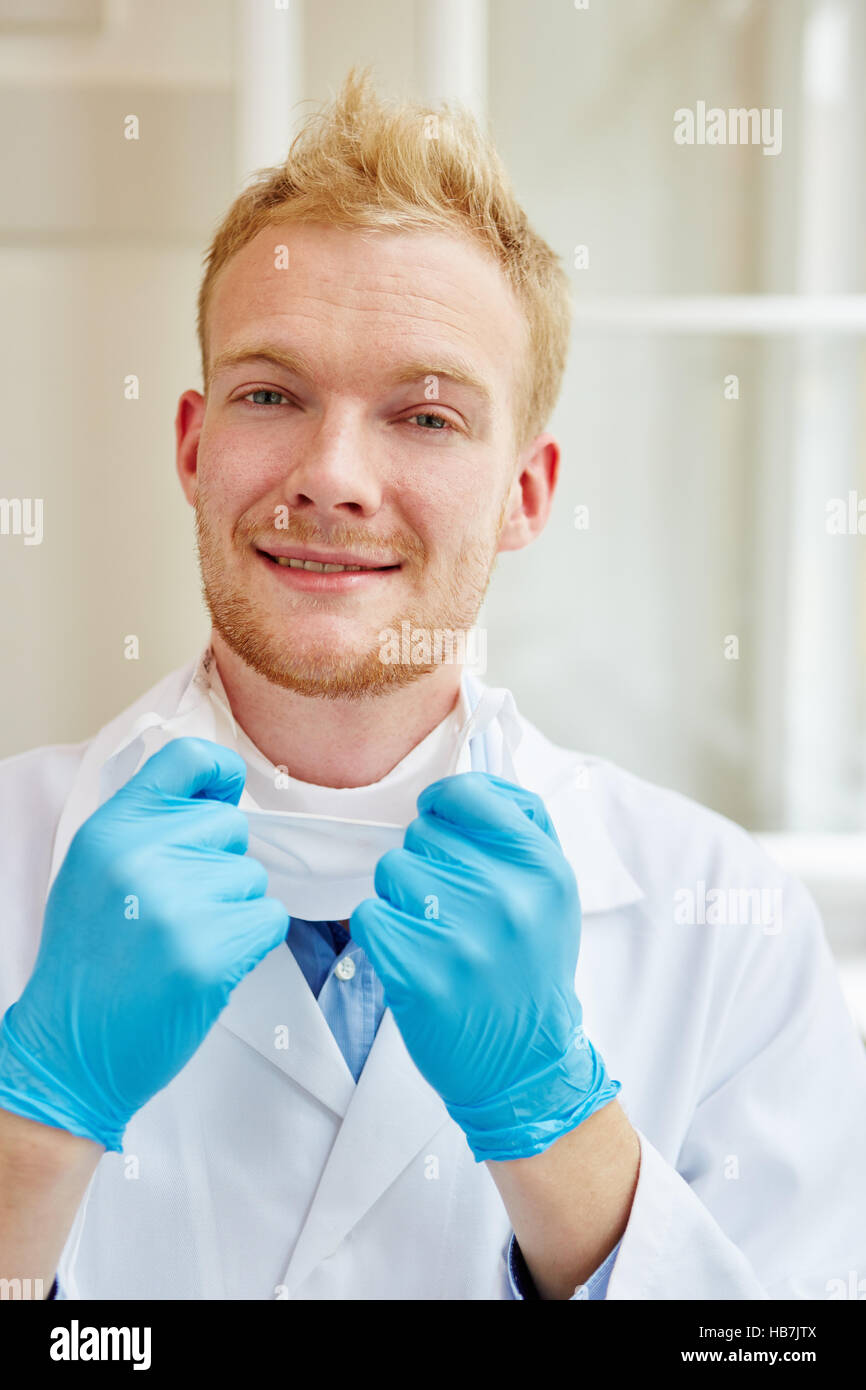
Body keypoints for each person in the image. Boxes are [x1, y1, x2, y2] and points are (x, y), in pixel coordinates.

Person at [1, 68, 864, 1303]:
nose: (333, 473)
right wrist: (36, 1115)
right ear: (193, 446)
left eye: (425, 416)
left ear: (525, 492)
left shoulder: (725, 928)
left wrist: (556, 1123)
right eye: (270, 394)